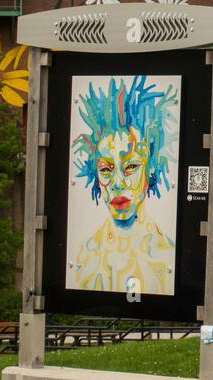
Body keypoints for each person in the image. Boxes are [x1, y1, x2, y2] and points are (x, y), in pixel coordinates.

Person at [69, 74, 179, 293]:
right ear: (95, 177)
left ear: (151, 171)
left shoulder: (167, 255)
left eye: (130, 167)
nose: (117, 183)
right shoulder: (84, 259)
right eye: (106, 169)